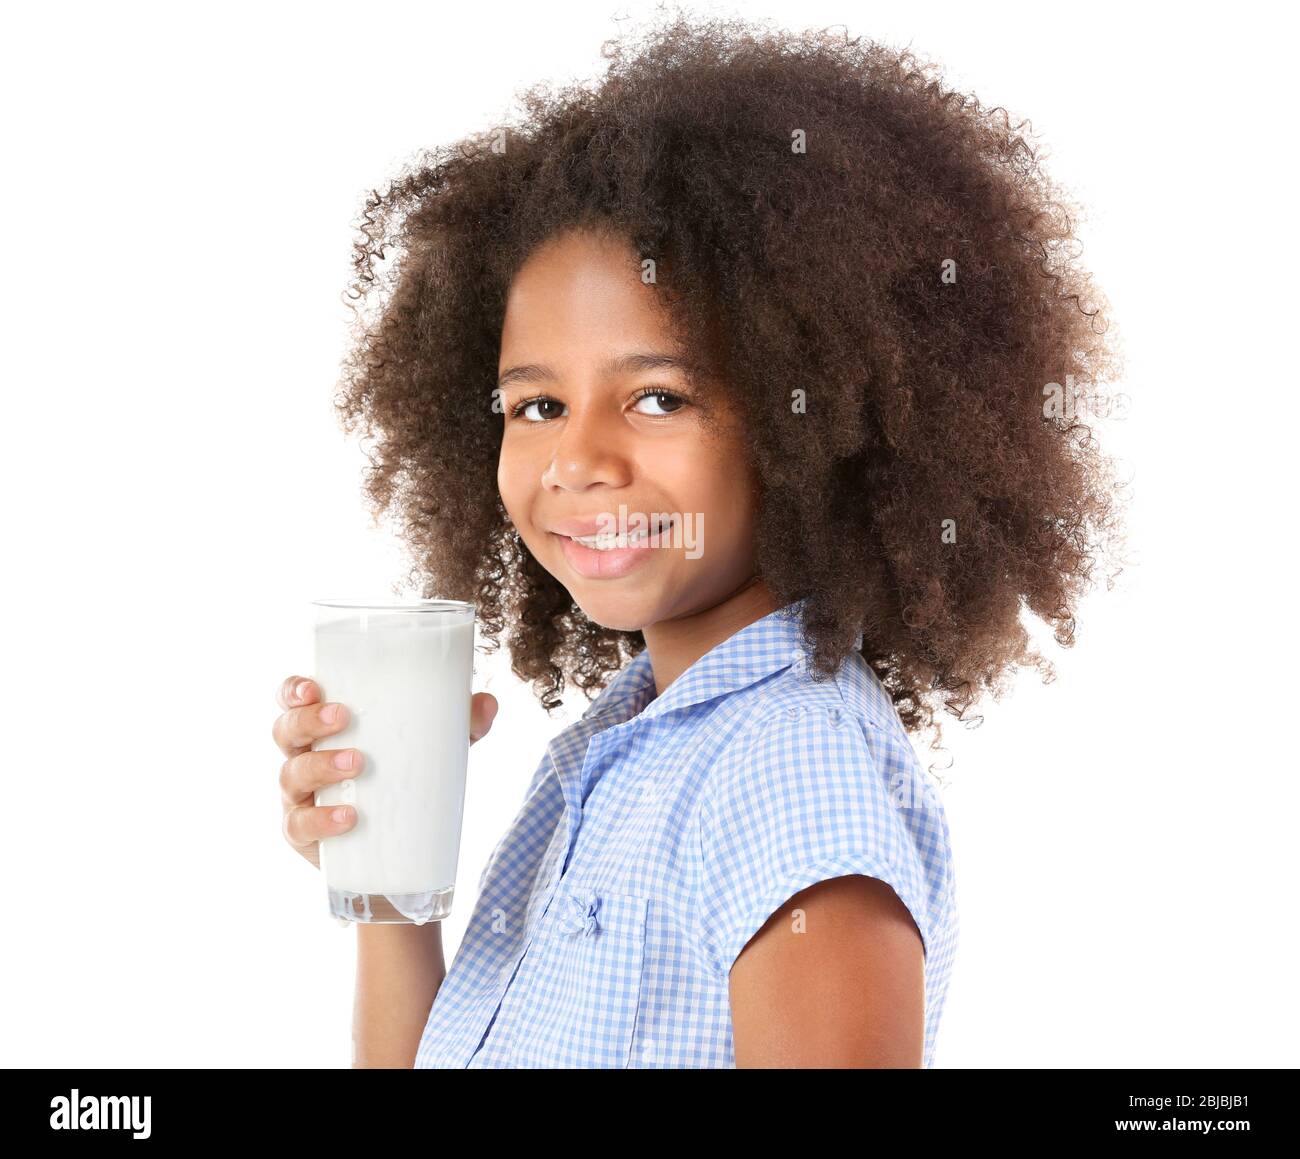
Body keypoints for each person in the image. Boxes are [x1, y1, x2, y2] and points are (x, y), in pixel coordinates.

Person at [272, 12, 1122, 1068]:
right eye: (535, 406)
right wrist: (391, 883)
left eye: (658, 397)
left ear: (809, 420)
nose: (577, 459)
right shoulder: (626, 750)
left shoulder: (785, 771)